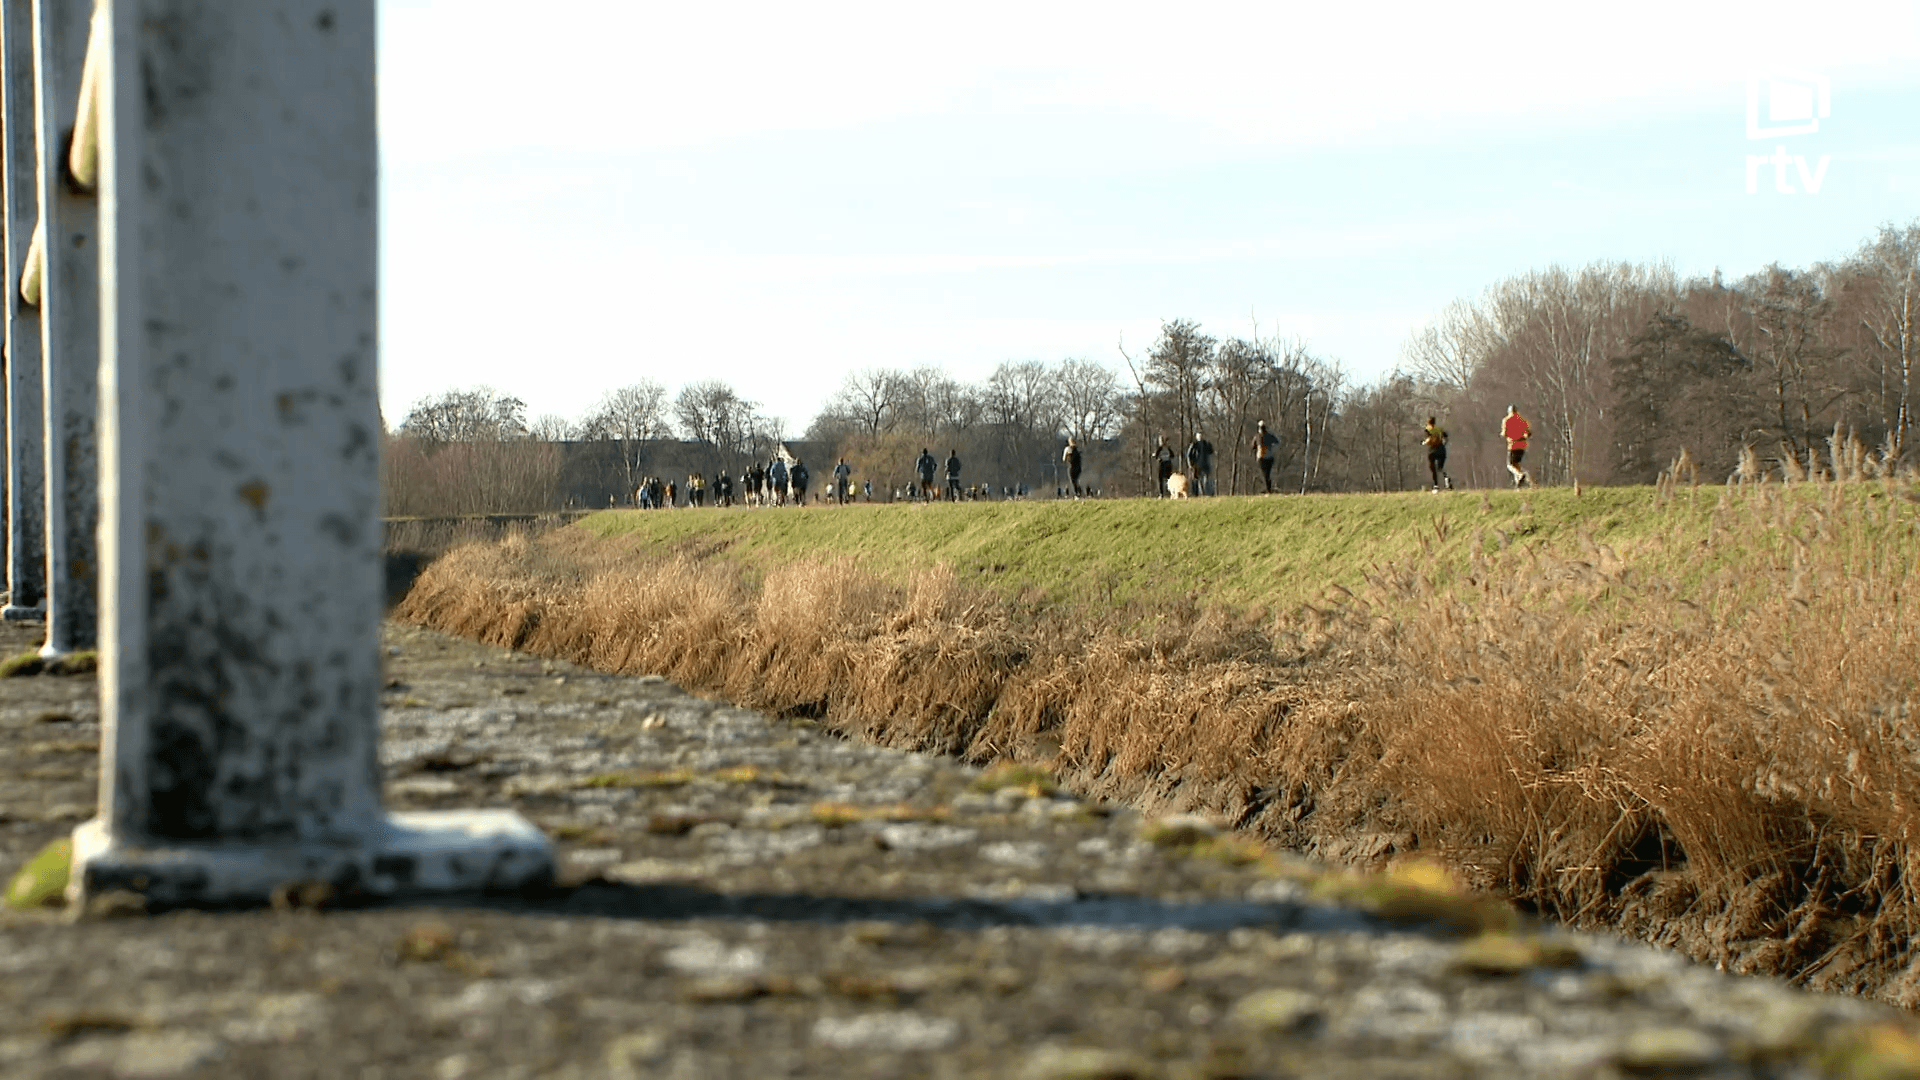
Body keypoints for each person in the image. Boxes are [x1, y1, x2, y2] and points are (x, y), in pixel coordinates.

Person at [1502, 405, 1532, 488]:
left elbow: (1504, 433)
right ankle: (1519, 484)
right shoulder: (1523, 420)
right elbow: (1528, 433)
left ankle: (1520, 475)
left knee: (1510, 465)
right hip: (1523, 445)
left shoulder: (1506, 420)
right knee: (1516, 464)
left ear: (1509, 411)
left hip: (1513, 445)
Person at [1423, 416, 1451, 492]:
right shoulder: (1439, 429)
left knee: (1432, 467)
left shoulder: (1428, 429)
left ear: (1428, 423)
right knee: (1440, 467)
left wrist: (1424, 442)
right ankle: (1446, 478)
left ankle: (1436, 485)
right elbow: (1446, 437)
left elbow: (1428, 439)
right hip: (1442, 449)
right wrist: (1443, 444)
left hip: (1433, 449)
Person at [1253, 420, 1279, 493]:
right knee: (1267, 474)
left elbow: (1252, 446)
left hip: (1261, 458)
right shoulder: (1269, 436)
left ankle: (1268, 489)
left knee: (1265, 474)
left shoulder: (1257, 436)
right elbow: (1277, 441)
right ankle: (1268, 488)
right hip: (1269, 457)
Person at [1185, 431, 1215, 496]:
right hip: (1196, 465)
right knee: (1195, 480)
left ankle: (1208, 493)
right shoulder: (1194, 445)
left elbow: (1211, 451)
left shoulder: (1206, 444)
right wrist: (1190, 464)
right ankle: (1195, 494)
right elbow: (1189, 455)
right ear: (1196, 437)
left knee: (1207, 479)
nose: (1200, 437)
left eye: (1201, 436)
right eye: (1199, 436)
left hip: (1205, 464)